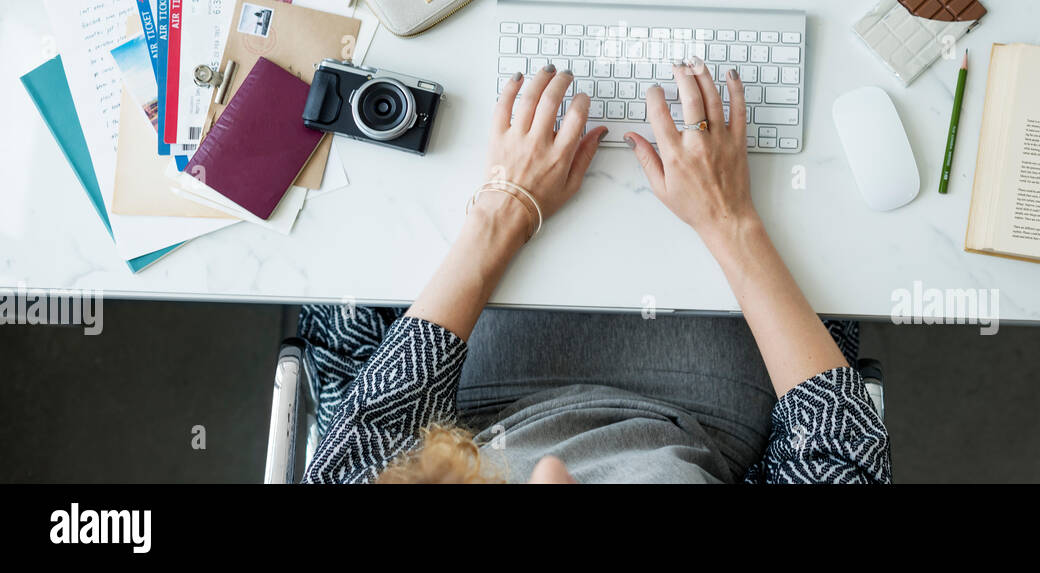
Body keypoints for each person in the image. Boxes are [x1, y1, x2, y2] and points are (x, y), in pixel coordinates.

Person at [301, 60, 890, 483]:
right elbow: (837, 442)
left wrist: (503, 211)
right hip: (701, 415)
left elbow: (367, 435)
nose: (553, 471)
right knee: (824, 220)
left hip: (479, 400)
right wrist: (728, 220)